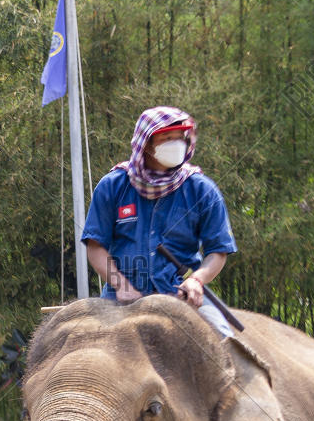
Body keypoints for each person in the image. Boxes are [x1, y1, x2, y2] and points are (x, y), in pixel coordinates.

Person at [81, 106, 238, 338]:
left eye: (179, 138)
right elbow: (95, 247)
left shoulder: (202, 189)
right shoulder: (112, 186)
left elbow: (218, 251)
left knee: (225, 342)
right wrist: (122, 287)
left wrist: (197, 280)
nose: (176, 144)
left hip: (183, 297)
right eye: (167, 138)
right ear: (146, 143)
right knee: (86, 355)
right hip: (120, 298)